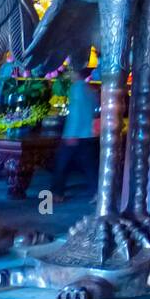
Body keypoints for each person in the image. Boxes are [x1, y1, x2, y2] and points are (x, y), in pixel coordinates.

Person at [51, 64, 100, 201]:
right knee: (89, 166)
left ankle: (57, 194)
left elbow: (76, 113)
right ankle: (98, 192)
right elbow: (94, 110)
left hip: (75, 134)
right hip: (87, 133)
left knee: (61, 164)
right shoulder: (90, 89)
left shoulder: (76, 88)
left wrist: (71, 133)